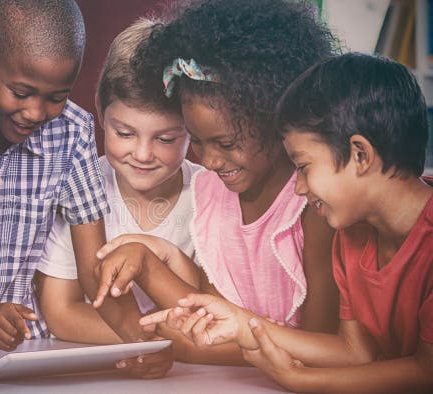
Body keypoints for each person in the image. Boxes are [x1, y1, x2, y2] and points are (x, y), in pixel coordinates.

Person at [147, 53, 433, 393]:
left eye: (303, 166)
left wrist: (300, 379)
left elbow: (426, 371)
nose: (298, 187)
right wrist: (242, 324)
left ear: (360, 155)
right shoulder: (351, 235)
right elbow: (355, 351)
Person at [94, 0, 341, 364]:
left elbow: (317, 347)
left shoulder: (311, 206)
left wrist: (183, 342)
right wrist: (147, 265)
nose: (208, 161)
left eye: (226, 143)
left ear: (274, 118)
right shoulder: (213, 193)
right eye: (196, 140)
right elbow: (212, 317)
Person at [0, 0, 146, 353]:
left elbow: (92, 270)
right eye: (21, 93)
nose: (36, 112)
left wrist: (140, 343)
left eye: (57, 97)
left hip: (23, 349)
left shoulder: (72, 132)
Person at [34, 18, 204, 378]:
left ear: (195, 127)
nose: (142, 154)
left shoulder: (209, 196)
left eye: (166, 139)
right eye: (124, 133)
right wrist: (148, 341)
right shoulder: (80, 186)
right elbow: (60, 312)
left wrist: (160, 343)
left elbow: (207, 306)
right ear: (100, 112)